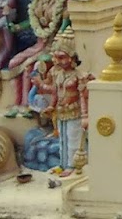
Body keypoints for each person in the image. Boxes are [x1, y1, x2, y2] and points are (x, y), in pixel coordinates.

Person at [5, 0, 71, 116]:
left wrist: (58, 47)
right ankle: (16, 103)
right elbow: (33, 19)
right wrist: (18, 26)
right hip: (39, 43)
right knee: (13, 63)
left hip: (55, 45)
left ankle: (29, 104)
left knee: (31, 66)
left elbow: (64, 27)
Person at [41, 29, 91, 176]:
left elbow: (83, 96)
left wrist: (85, 116)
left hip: (74, 111)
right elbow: (55, 91)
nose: (58, 61)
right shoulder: (57, 73)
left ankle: (73, 165)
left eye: (62, 57)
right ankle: (63, 164)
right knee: (63, 139)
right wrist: (51, 105)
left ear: (72, 58)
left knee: (74, 138)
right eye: (56, 58)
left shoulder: (78, 76)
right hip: (61, 111)